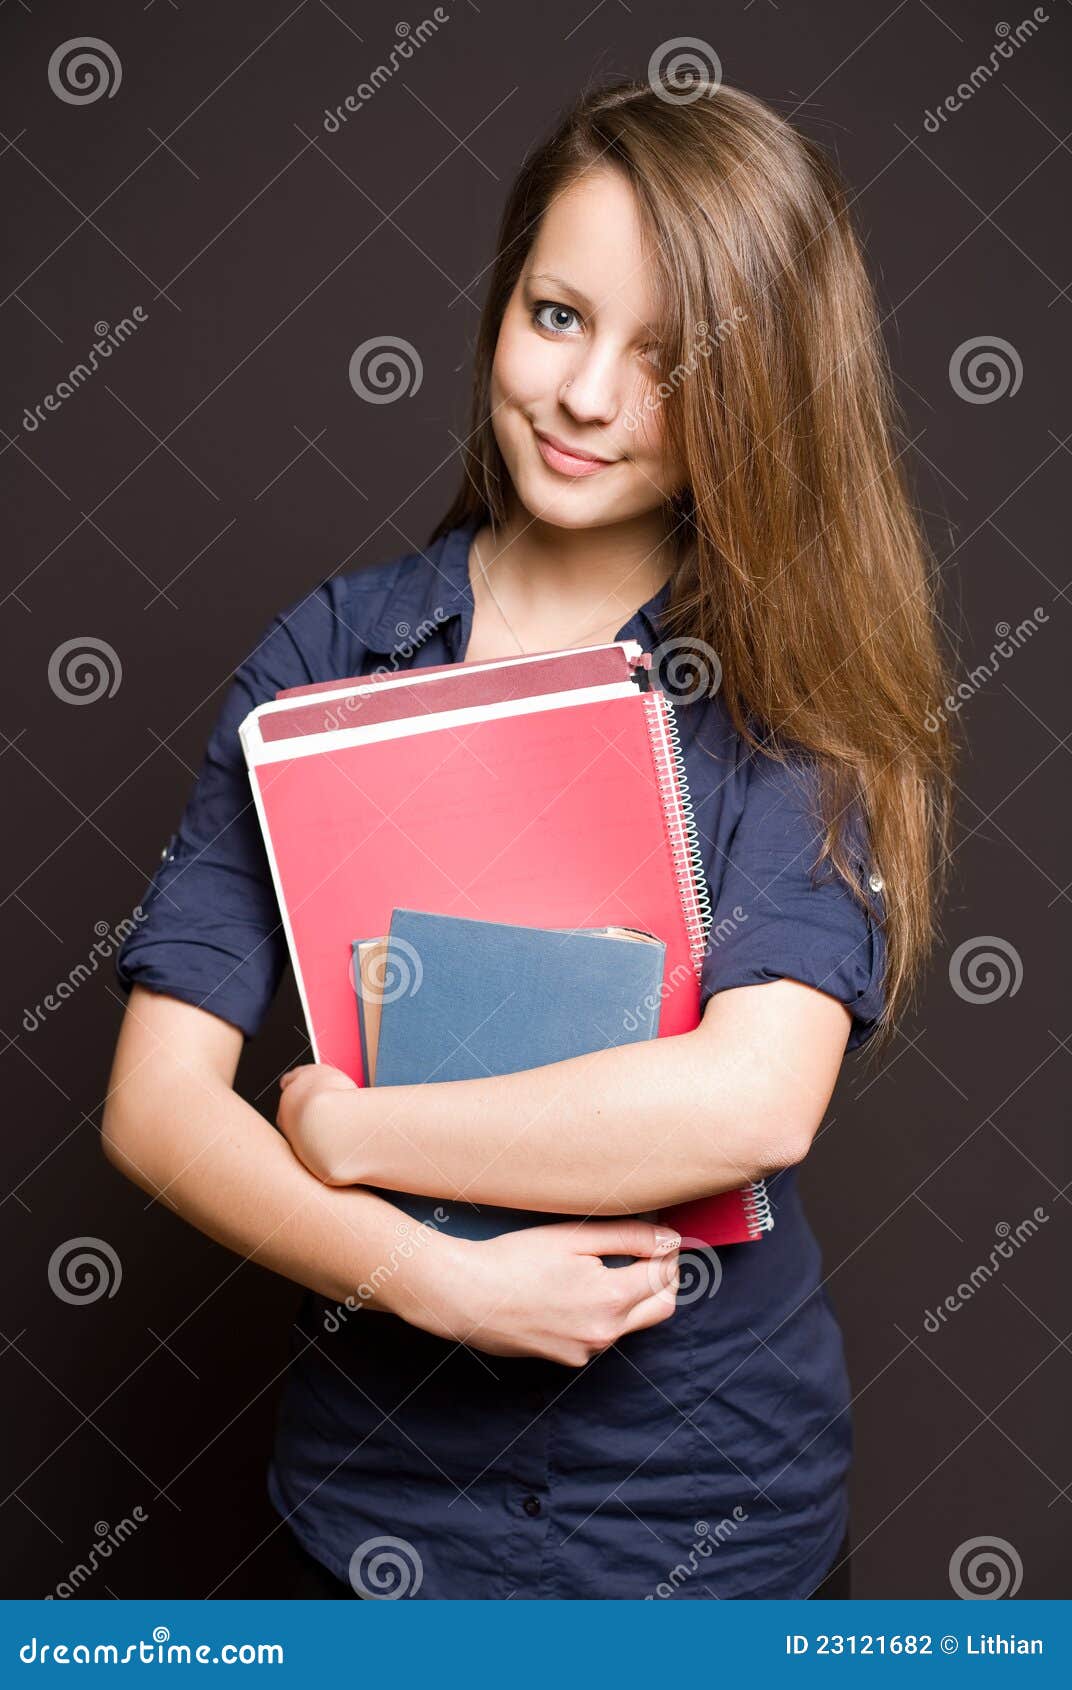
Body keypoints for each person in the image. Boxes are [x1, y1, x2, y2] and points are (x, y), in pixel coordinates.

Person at [102, 76, 955, 1600]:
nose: (589, 398)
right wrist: (440, 1280)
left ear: (767, 390)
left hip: (709, 1525)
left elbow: (753, 1099)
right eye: (558, 315)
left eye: (673, 359)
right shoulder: (327, 657)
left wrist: (359, 1132)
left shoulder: (785, 696)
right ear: (502, 299)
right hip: (376, 1507)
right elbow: (157, 1106)